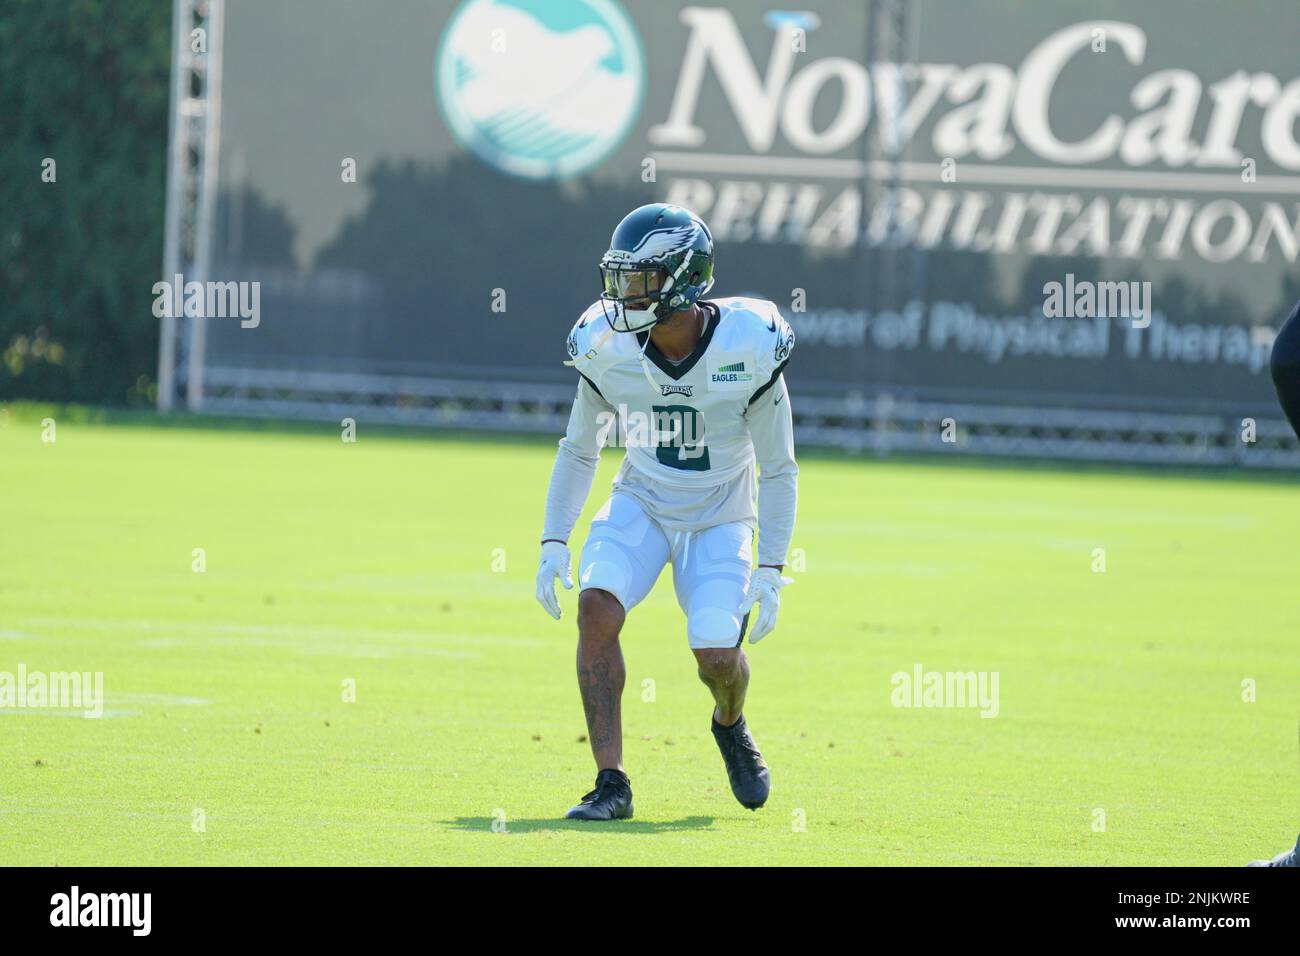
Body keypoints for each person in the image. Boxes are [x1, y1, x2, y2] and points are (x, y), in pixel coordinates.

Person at [535, 203, 798, 820]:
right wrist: (553, 541)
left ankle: (729, 723)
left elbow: (779, 468)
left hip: (722, 515)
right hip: (643, 500)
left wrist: (771, 567)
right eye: (620, 278)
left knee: (715, 653)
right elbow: (580, 447)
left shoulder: (747, 344)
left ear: (681, 278)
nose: (622, 295)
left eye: (640, 279)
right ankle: (611, 783)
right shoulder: (607, 348)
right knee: (596, 607)